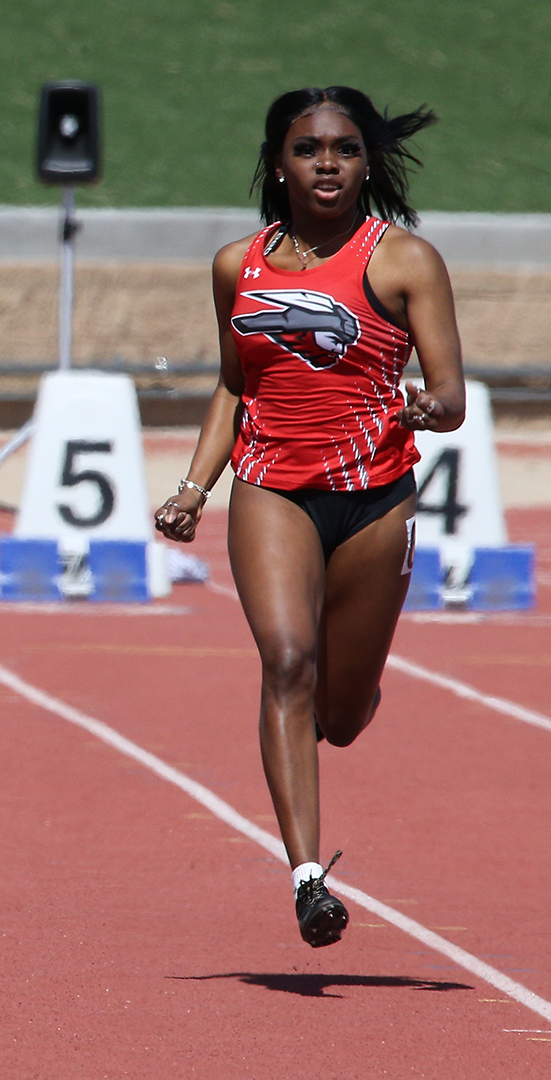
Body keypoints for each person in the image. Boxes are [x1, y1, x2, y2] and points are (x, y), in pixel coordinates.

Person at [154, 87, 461, 948]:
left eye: (346, 150)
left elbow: (452, 395)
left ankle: (351, 689)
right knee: (285, 659)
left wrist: (424, 409)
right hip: (270, 488)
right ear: (277, 161)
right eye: (308, 149)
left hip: (373, 498)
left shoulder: (403, 261)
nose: (328, 164)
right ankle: (306, 877)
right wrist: (195, 485)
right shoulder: (236, 265)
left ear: (367, 162)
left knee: (341, 715)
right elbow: (233, 383)